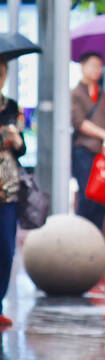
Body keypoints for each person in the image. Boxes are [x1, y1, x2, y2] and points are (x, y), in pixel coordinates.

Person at [71, 52, 105, 231]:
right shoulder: (75, 93)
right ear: (82, 66)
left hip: (103, 154)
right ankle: (81, 236)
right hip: (83, 151)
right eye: (92, 65)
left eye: (99, 66)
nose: (96, 70)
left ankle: (97, 236)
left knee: (102, 197)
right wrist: (103, 134)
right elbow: (78, 121)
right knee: (86, 196)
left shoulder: (104, 95)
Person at [0, 58, 26, 330]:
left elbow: (22, 148)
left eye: (2, 73)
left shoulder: (12, 107)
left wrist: (16, 141)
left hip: (7, 188)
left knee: (6, 250)